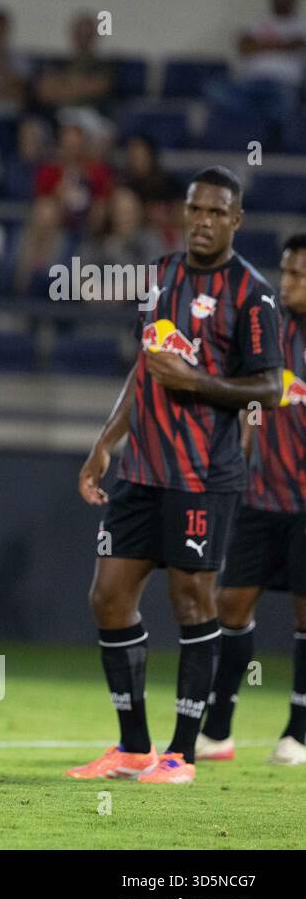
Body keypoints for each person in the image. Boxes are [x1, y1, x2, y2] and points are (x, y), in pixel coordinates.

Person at [72, 166, 283, 785]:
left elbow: (270, 386)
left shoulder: (252, 293)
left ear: (236, 220)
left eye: (217, 212)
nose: (204, 221)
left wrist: (199, 384)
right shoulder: (161, 275)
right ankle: (134, 747)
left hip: (204, 477)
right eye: (196, 209)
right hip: (141, 470)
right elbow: (145, 370)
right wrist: (104, 445)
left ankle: (182, 754)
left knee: (191, 602)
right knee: (108, 597)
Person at [197, 234, 306, 767]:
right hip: (259, 496)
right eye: (285, 273)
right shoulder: (269, 332)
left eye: (298, 276)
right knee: (231, 606)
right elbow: (244, 404)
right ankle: (218, 730)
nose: (286, 284)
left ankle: (299, 732)